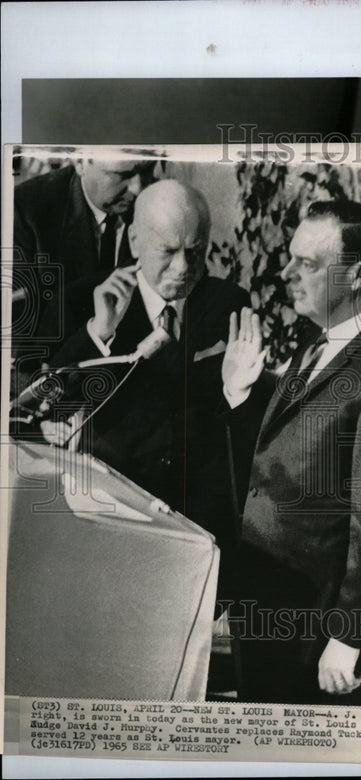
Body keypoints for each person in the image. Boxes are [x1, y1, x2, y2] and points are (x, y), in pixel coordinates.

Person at [222, 201, 361, 706]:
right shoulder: (317, 344)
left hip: (315, 628)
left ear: (359, 274)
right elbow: (282, 463)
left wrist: (347, 637)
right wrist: (241, 397)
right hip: (268, 603)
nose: (286, 273)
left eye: (307, 263)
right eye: (290, 258)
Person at [37, 179, 249, 549]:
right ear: (135, 241)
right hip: (115, 508)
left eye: (196, 251)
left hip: (197, 516)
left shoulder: (228, 302)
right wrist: (98, 333)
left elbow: (234, 415)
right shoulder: (85, 299)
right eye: (168, 251)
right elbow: (53, 404)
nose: (183, 268)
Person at [12, 154, 152, 355]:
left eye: (146, 170)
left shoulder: (157, 201)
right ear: (80, 162)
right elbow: (20, 346)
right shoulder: (26, 210)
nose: (138, 188)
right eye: (123, 174)